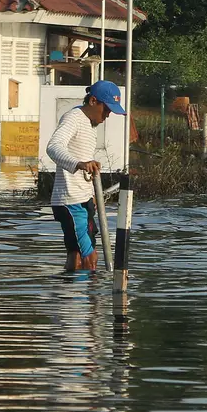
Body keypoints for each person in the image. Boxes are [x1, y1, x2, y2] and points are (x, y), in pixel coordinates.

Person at [45, 80, 126, 271]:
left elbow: (83, 156)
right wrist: (79, 164)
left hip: (82, 199)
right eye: (106, 109)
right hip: (70, 201)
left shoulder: (89, 125)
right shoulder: (73, 118)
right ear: (93, 101)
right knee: (91, 258)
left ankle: (70, 298)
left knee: (77, 257)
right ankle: (94, 300)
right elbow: (53, 147)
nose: (107, 115)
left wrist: (91, 194)